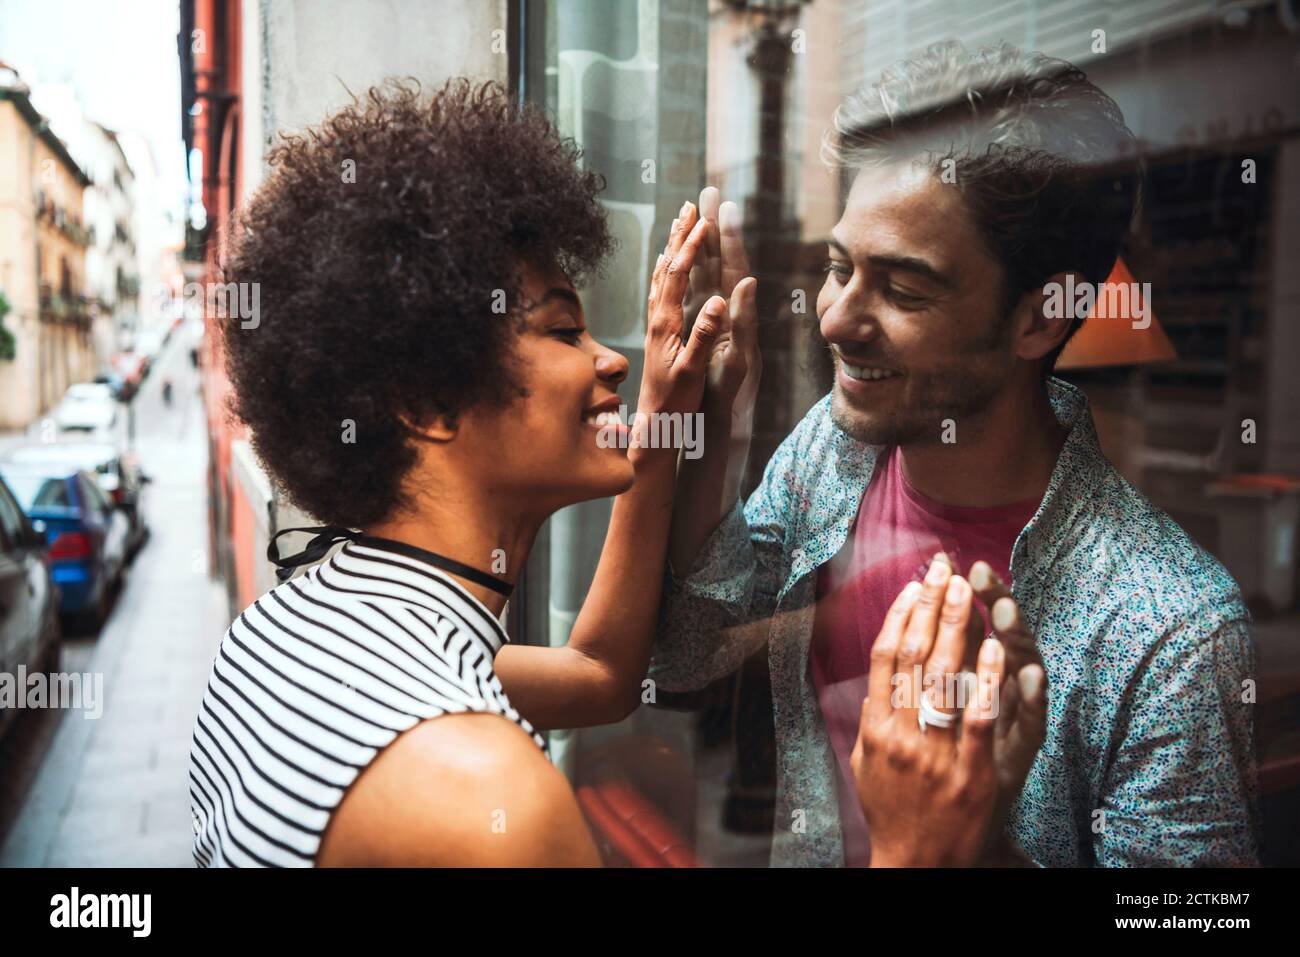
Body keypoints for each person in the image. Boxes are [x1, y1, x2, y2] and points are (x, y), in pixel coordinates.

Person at [187, 78, 1032, 867]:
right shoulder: (496, 800)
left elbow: (600, 675)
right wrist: (919, 849)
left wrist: (670, 407)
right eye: (562, 332)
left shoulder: (300, 626)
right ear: (426, 401)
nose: (611, 363)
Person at [653, 41, 1258, 867]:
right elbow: (686, 656)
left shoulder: (1172, 631)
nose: (834, 319)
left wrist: (966, 845)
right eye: (838, 268)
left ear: (1041, 319)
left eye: (903, 289)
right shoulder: (831, 452)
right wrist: (712, 425)